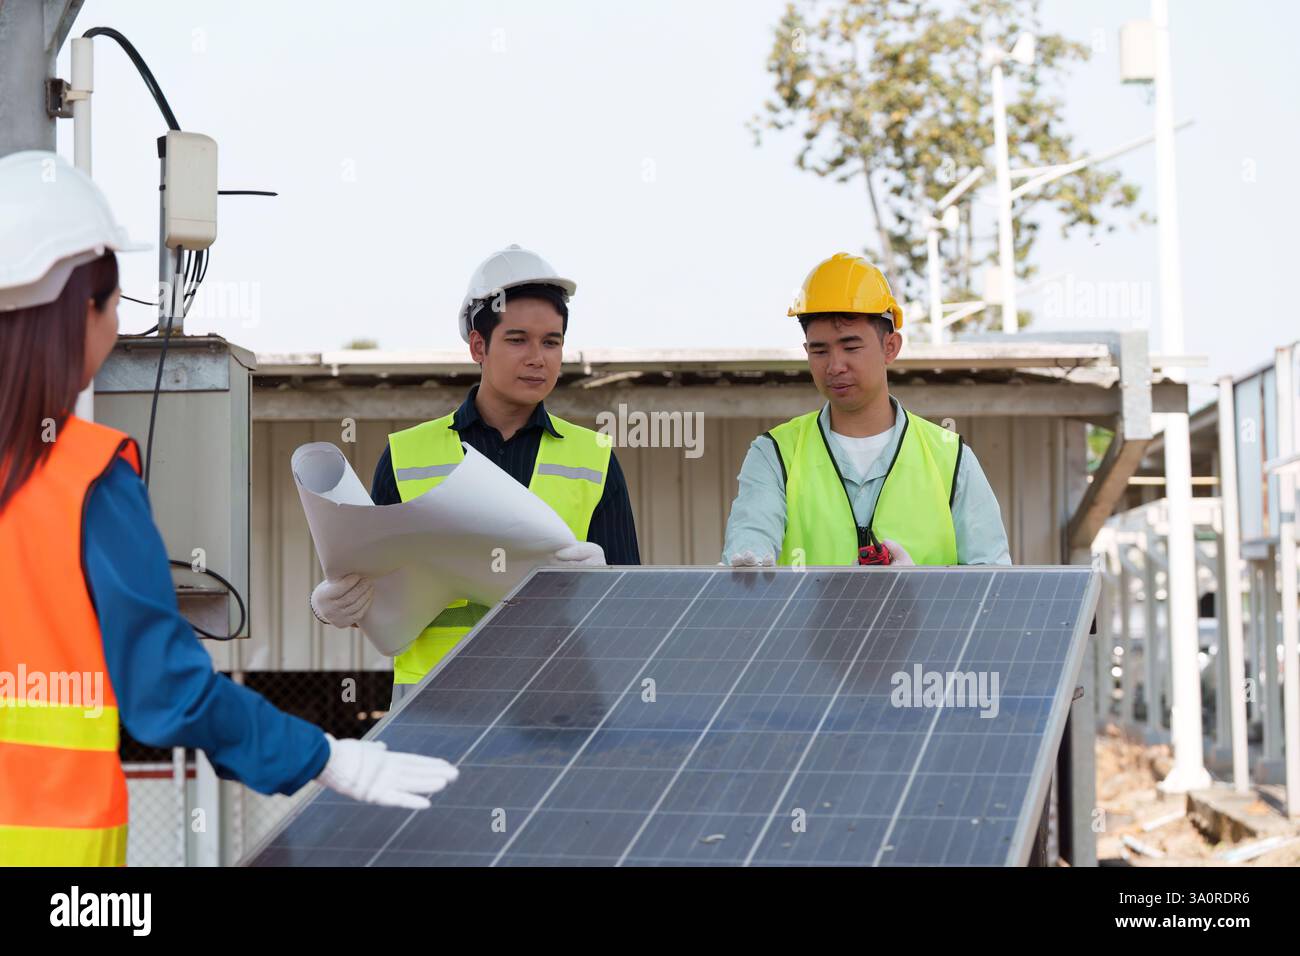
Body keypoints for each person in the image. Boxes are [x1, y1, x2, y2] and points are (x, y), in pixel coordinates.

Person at [0, 151, 457, 867]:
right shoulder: (85, 478)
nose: (117, 327)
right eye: (113, 305)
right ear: (73, 312)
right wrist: (325, 758)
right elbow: (168, 692)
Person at [311, 245, 640, 703]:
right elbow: (370, 579)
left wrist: (605, 584)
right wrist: (331, 605)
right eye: (518, 339)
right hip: (435, 705)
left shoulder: (595, 456)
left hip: (557, 701)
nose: (538, 358)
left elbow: (633, 604)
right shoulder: (406, 454)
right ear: (478, 346)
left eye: (551, 341)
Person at [722, 252, 1011, 568]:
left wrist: (925, 596)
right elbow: (750, 543)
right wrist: (746, 579)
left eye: (851, 347)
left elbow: (992, 588)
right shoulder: (775, 455)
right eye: (820, 350)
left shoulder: (951, 458)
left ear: (891, 347)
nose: (835, 366)